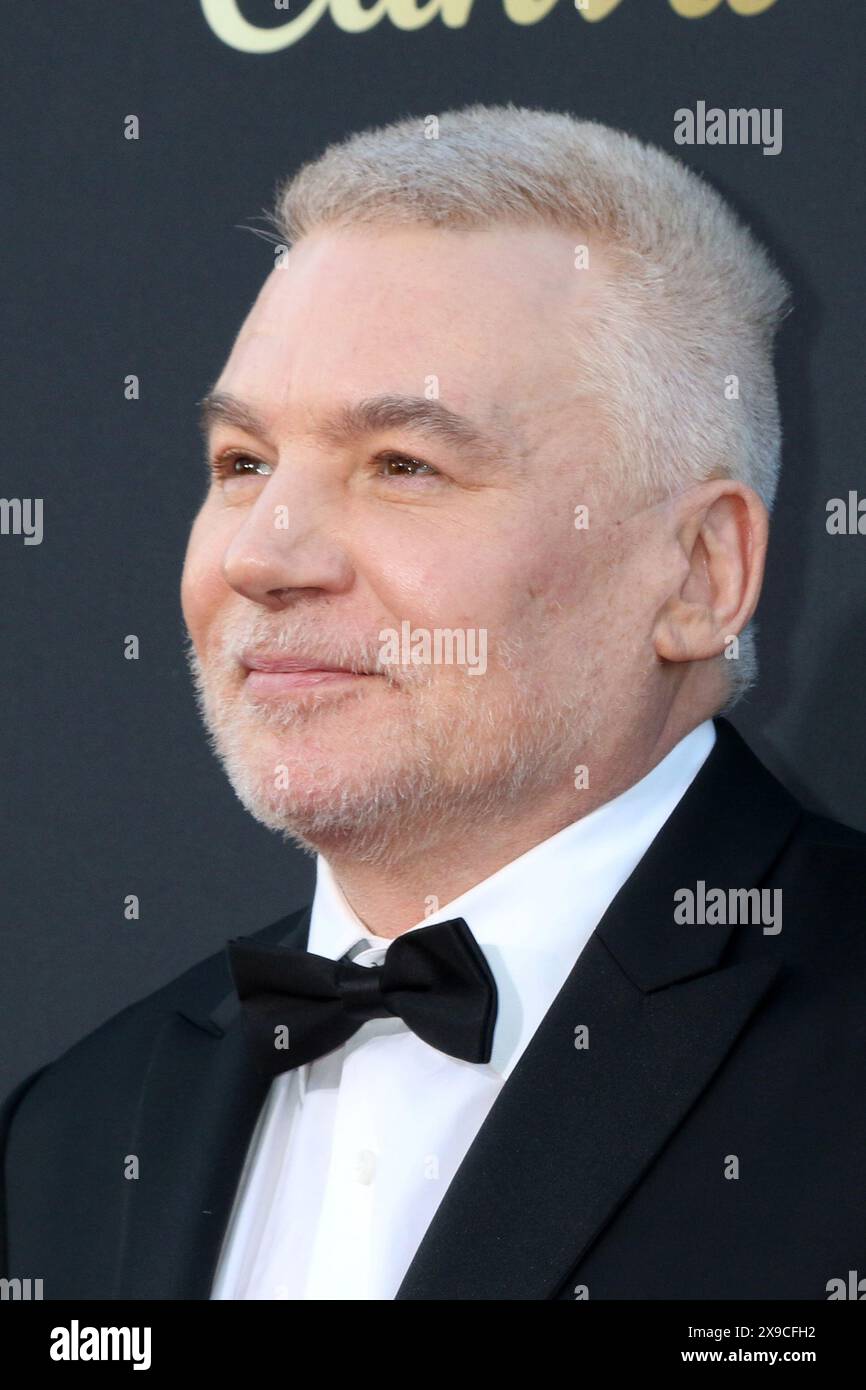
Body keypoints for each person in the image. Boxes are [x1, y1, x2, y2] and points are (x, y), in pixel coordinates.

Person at [3, 105, 864, 1301]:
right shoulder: (70, 1135)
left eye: (403, 466)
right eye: (242, 463)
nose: (265, 554)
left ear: (696, 573)